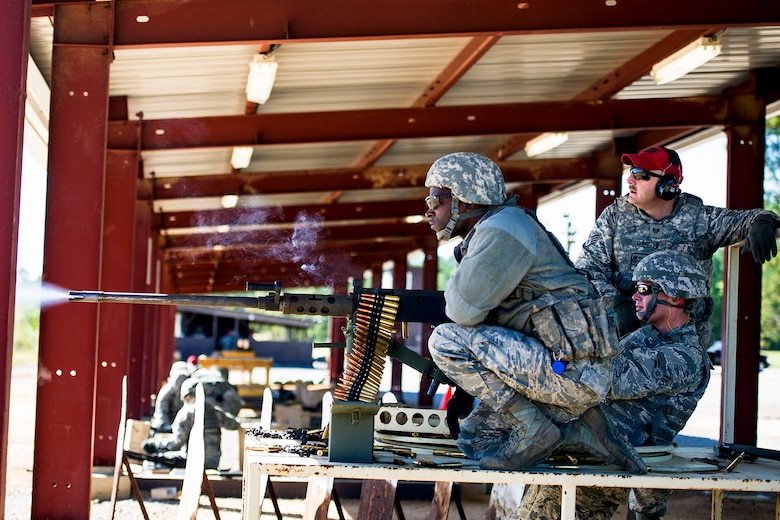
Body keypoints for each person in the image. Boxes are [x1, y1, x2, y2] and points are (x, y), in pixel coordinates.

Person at [423, 152, 645, 473]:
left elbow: (462, 312)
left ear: (467, 202)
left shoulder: (501, 228)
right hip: (569, 364)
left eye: (436, 199)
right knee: (476, 441)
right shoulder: (503, 224)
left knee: (445, 341)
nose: (429, 209)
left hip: (569, 371)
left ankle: (536, 428)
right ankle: (579, 429)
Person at [517, 250, 711, 519]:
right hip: (581, 455)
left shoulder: (684, 357)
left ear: (677, 296)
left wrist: (556, 352)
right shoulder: (647, 337)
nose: (634, 296)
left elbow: (602, 379)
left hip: (601, 467)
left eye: (644, 289)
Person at [576, 145, 780, 348]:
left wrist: (762, 222)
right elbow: (587, 269)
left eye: (640, 175)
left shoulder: (699, 219)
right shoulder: (615, 216)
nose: (630, 180)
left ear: (668, 185)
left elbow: (747, 218)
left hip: (681, 345)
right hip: (624, 339)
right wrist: (617, 306)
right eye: (631, 173)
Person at [142, 377, 240, 470]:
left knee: (156, 460)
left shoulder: (186, 412)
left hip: (194, 462)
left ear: (186, 396)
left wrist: (156, 444)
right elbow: (234, 425)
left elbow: (176, 443)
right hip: (213, 462)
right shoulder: (214, 410)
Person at [150, 361, 193, 433]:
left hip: (183, 426)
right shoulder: (167, 391)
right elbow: (161, 412)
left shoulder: (190, 391)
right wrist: (168, 427)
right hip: (166, 426)